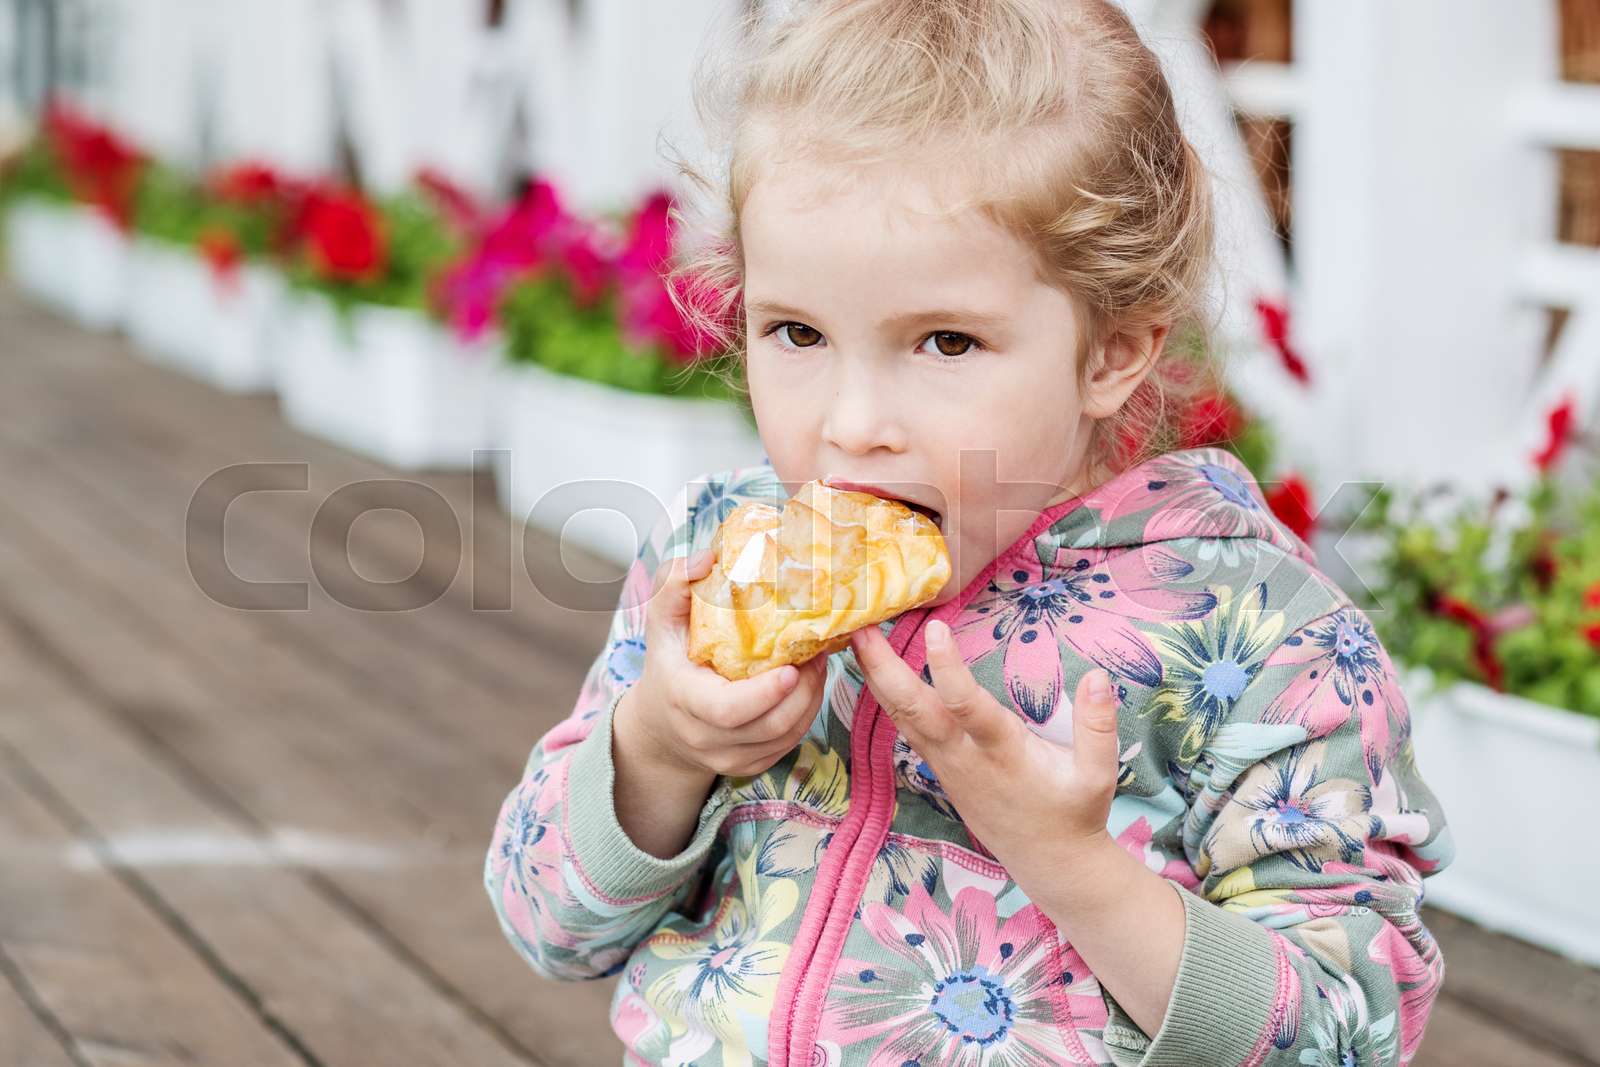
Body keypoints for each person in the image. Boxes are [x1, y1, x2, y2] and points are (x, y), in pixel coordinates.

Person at [485, 1, 1456, 1063]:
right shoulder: (721, 558)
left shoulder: (1261, 634)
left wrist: (1065, 854)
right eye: (797, 331)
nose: (853, 424)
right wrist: (661, 748)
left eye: (945, 342)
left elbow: (1343, 1031)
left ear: (1110, 350)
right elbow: (549, 927)